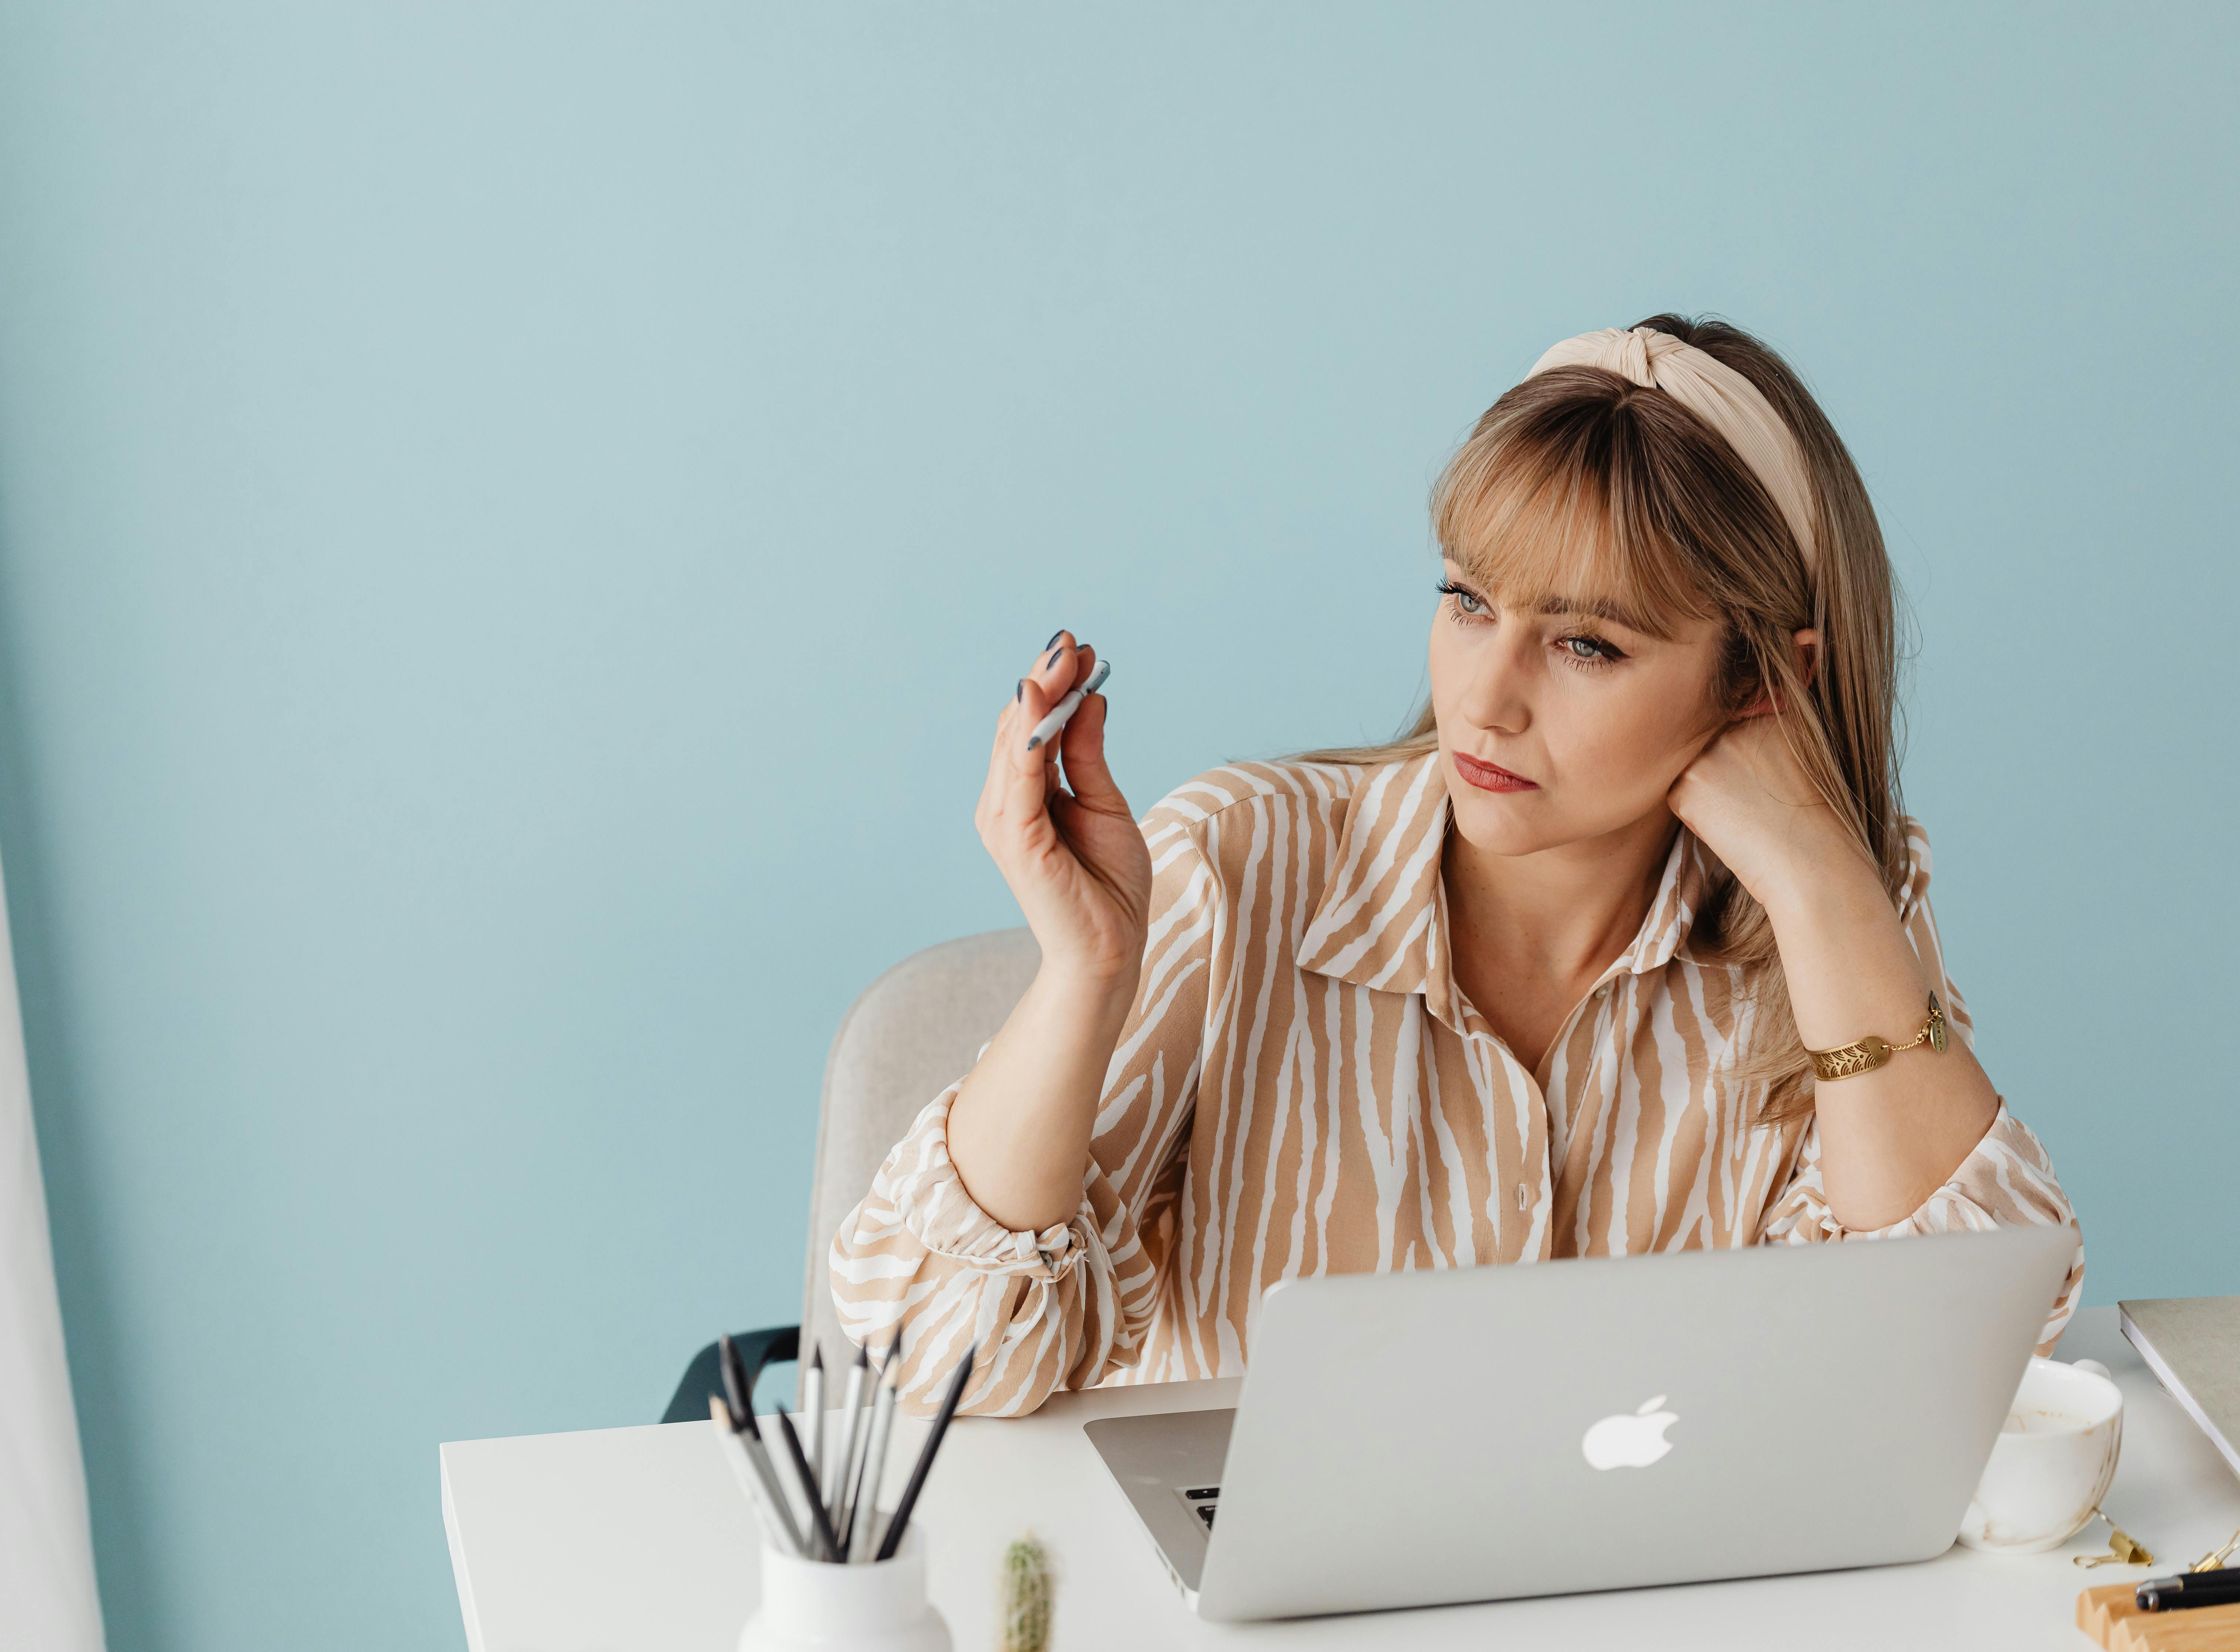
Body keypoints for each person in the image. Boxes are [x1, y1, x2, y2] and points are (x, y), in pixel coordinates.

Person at [831, 315, 2082, 1418]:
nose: (1484, 700)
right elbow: (928, 1361)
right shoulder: (1240, 861)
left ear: (1760, 679)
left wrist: (1818, 885)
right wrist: (1089, 971)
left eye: (1586, 645)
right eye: (1470, 601)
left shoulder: (1832, 927)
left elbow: (1971, 1358)